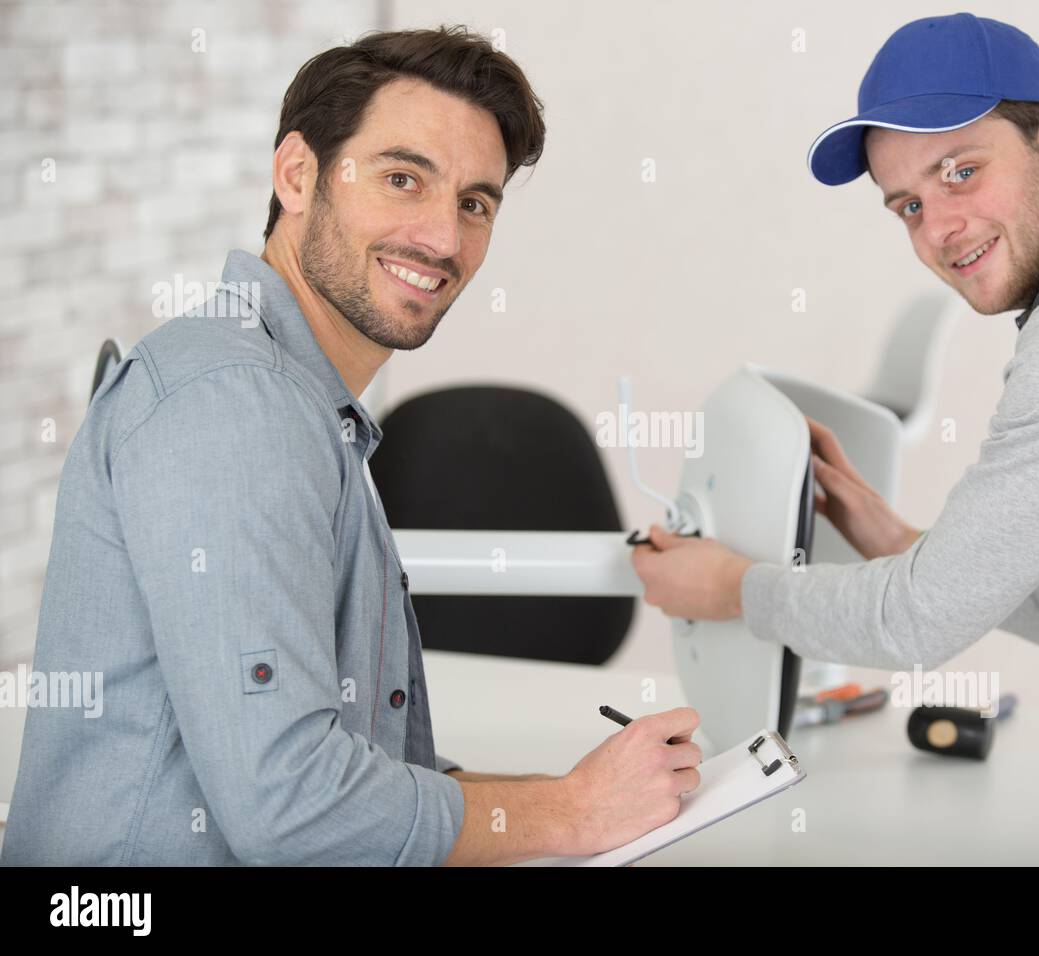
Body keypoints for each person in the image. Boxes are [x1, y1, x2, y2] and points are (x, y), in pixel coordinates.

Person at [1, 27, 701, 868]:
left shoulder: (305, 409)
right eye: (403, 179)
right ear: (297, 175)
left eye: (475, 203)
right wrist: (570, 814)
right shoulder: (232, 407)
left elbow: (350, 769)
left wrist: (582, 798)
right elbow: (291, 807)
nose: (443, 238)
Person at [632, 13, 1039, 666]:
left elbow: (916, 623)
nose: (938, 230)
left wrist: (727, 589)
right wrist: (909, 547)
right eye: (910, 205)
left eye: (960, 172)